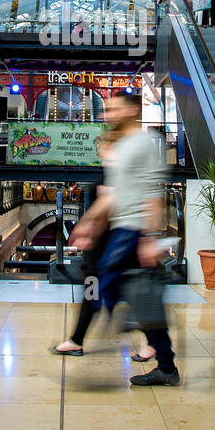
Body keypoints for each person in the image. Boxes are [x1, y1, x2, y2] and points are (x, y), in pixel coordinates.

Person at [64, 90, 178, 386]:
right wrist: (87, 224)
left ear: (130, 111)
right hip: (121, 226)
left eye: (113, 109)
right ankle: (163, 360)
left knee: (108, 276)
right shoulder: (121, 146)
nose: (107, 115)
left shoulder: (144, 143)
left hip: (135, 229)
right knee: (133, 292)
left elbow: (154, 193)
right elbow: (110, 195)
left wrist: (150, 237)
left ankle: (131, 322)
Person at [50, 129, 122, 358]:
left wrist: (87, 228)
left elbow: (108, 208)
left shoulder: (115, 175)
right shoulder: (110, 173)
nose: (99, 148)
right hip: (100, 251)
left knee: (101, 294)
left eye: (104, 144)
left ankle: (77, 341)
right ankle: (77, 340)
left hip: (103, 250)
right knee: (94, 295)